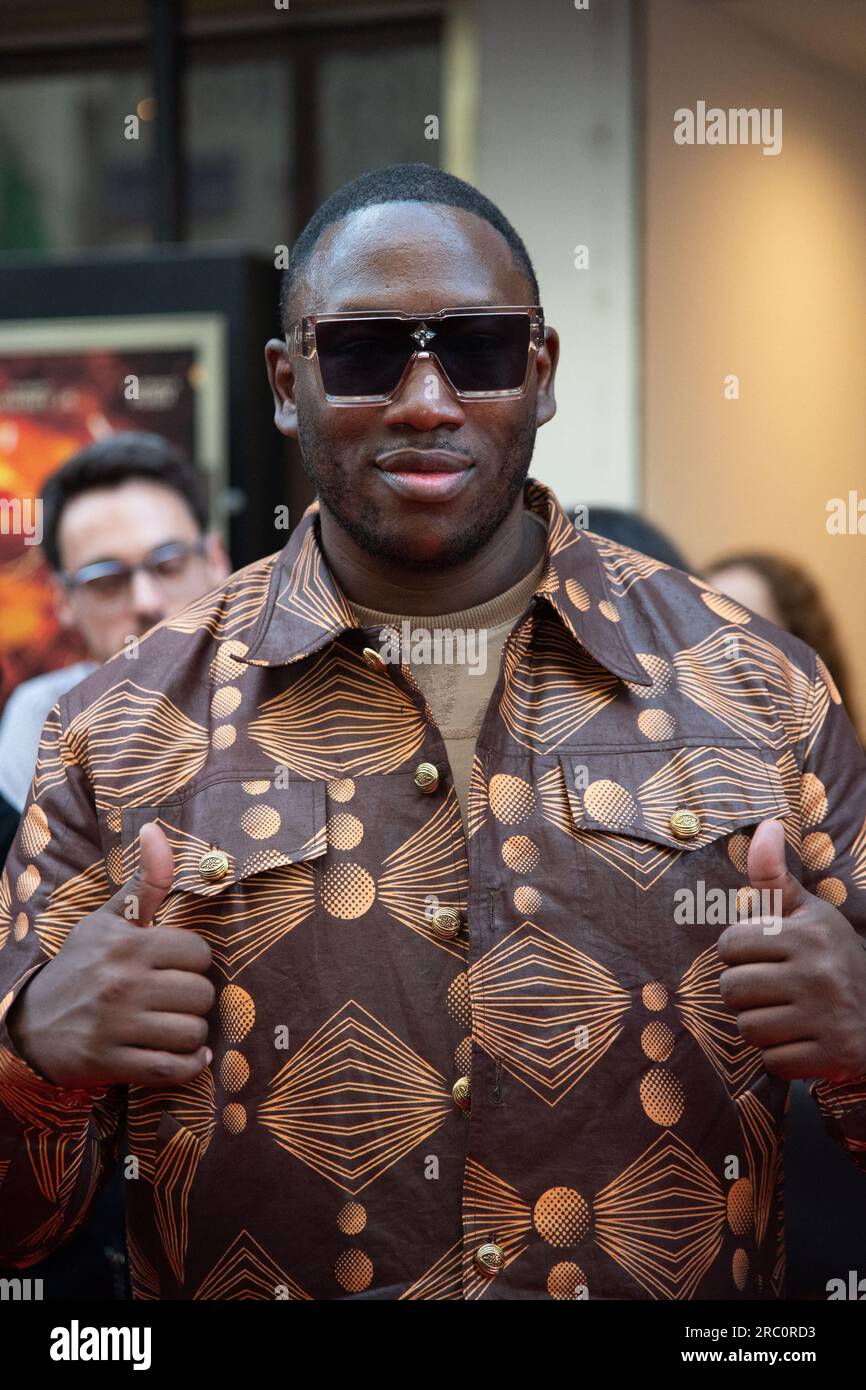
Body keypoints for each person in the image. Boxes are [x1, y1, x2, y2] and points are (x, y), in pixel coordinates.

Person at [0, 163, 864, 1302]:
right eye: (362, 353)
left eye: (479, 349)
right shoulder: (116, 728)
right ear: (285, 380)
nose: (423, 399)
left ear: (539, 373)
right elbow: (20, 1231)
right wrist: (37, 1062)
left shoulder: (761, 690)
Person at [0, 433, 231, 867]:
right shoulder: (42, 719)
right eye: (105, 579)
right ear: (63, 602)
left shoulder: (292, 691)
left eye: (168, 563)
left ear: (216, 560)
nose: (145, 602)